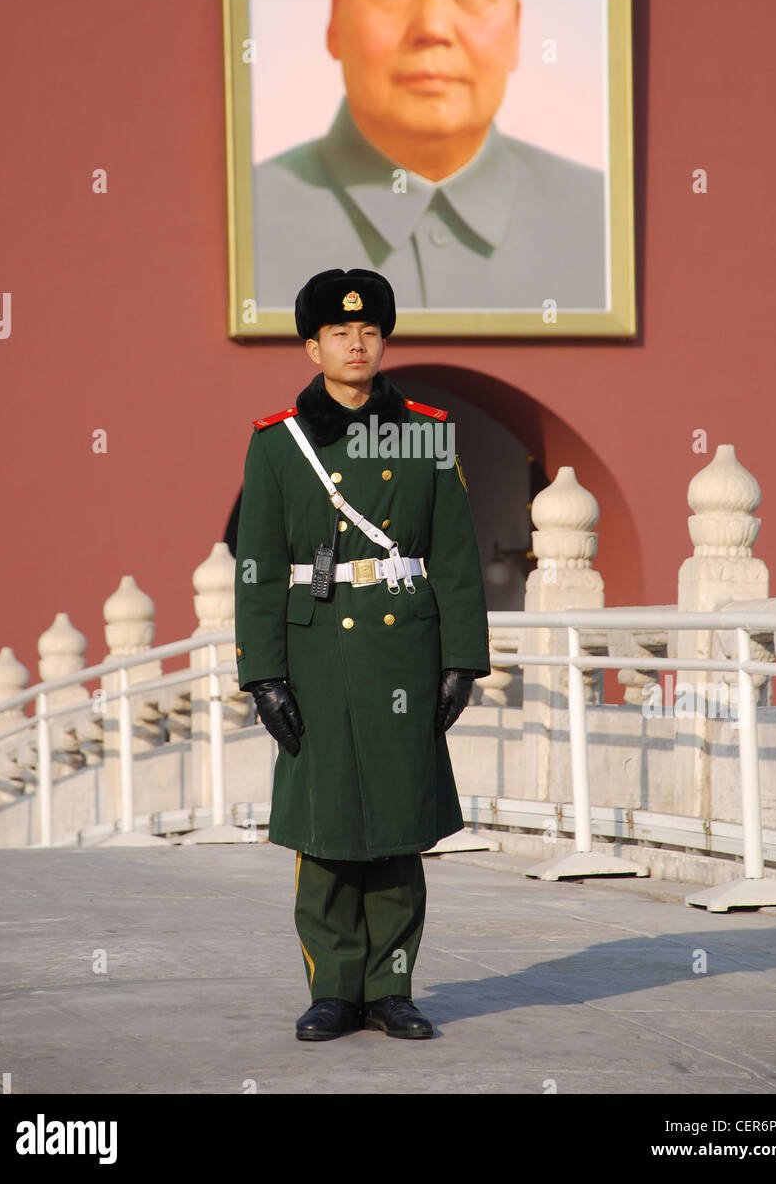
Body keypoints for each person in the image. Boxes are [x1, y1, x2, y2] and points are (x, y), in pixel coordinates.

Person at [234, 267, 491, 1040]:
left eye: (369, 331)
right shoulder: (278, 444)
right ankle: (334, 990)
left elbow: (454, 555)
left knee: (398, 825)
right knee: (328, 827)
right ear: (313, 346)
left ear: (382, 340)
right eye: (340, 333)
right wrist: (263, 674)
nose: (356, 343)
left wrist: (461, 659)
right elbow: (257, 566)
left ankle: (393, 989)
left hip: (402, 655)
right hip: (318, 656)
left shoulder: (425, 431)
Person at [252, 0, 605, 311]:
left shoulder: (607, 225)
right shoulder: (242, 221)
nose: (433, 26)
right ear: (335, 19)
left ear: (516, 28)